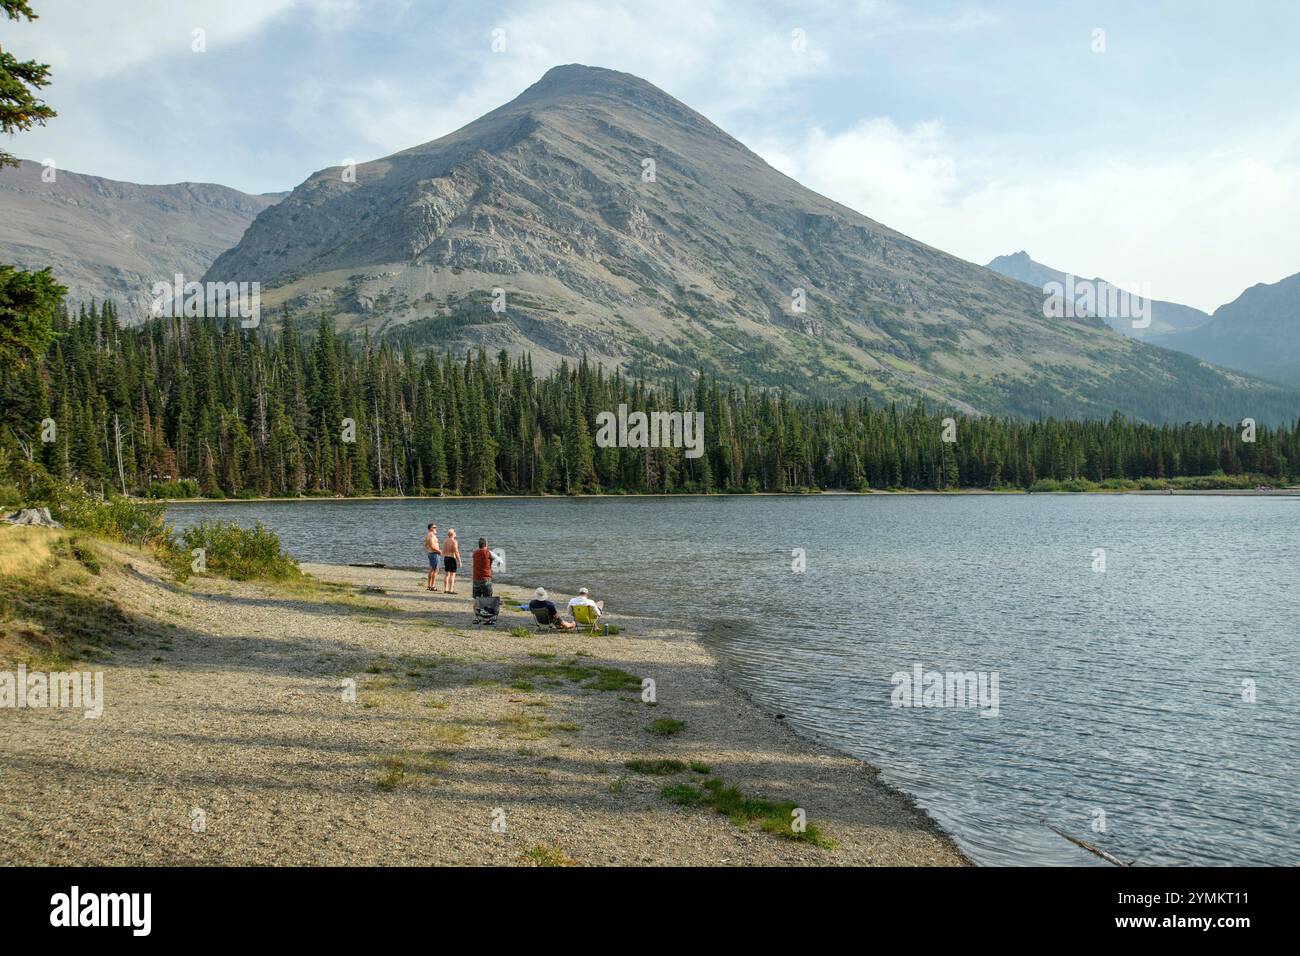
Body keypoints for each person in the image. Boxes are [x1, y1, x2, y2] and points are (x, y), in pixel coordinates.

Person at [441, 528, 460, 594]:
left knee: (447, 574)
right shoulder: (454, 541)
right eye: (455, 532)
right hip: (452, 558)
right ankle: (451, 590)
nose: (455, 533)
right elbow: (456, 551)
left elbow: (443, 550)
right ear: (453, 534)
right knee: (452, 575)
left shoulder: (445, 541)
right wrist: (459, 561)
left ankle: (445, 589)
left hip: (446, 558)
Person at [423, 523, 441, 591]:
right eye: (434, 527)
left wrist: (429, 550)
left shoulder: (428, 535)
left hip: (431, 553)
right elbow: (432, 546)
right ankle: (432, 586)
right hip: (434, 554)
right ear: (431, 528)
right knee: (435, 570)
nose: (436, 528)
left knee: (431, 570)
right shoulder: (431, 535)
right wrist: (439, 551)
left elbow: (426, 544)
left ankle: (429, 585)